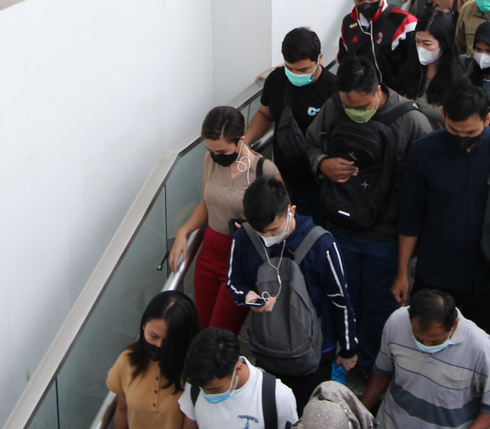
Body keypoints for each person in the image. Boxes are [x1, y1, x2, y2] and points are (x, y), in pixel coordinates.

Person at [393, 80, 490, 356]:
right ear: (443, 116)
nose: (462, 138)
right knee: (433, 350)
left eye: (472, 132)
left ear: (487, 118)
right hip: (438, 275)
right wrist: (402, 273)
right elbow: (410, 217)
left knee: (488, 352)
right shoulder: (424, 151)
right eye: (454, 131)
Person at [304, 54, 429, 378]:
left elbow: (423, 191)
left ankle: (375, 370)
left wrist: (405, 263)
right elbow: (310, 144)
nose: (353, 112)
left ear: (377, 90)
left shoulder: (411, 122)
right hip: (340, 228)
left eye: (360, 106)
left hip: (384, 239)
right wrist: (322, 163)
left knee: (379, 310)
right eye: (348, 105)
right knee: (340, 300)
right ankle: (343, 360)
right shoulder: (334, 106)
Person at [228, 176, 358, 405]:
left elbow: (340, 299)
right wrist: (247, 296)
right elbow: (233, 282)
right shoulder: (244, 238)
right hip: (267, 351)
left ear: (291, 210)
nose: (268, 237)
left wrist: (348, 349)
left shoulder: (322, 244)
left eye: (273, 229)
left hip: (315, 353)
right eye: (261, 232)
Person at [169, 106, 281, 331]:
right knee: (202, 327)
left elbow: (280, 220)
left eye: (221, 151)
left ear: (240, 141)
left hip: (241, 258)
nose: (215, 156)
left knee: (221, 333)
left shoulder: (263, 170)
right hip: (210, 252)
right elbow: (208, 204)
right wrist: (184, 231)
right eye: (210, 150)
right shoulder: (209, 161)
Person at [360, 289, 490, 429]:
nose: (425, 345)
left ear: (454, 324)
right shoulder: (396, 323)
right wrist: (360, 412)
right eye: (419, 338)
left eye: (435, 342)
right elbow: (381, 373)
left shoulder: (480, 348)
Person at [243, 26, 337, 219]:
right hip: (281, 179)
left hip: (318, 185)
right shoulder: (277, 79)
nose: (296, 74)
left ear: (320, 58)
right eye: (290, 68)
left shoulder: (333, 90)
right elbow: (265, 114)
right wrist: (246, 141)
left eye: (303, 69)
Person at [108, 291, 201, 429]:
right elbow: (121, 410)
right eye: (153, 336)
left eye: (168, 341)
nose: (158, 345)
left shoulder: (195, 372)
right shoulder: (127, 360)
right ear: (144, 325)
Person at [179, 328, 299, 429]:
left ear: (237, 368)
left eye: (215, 389)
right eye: (202, 389)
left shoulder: (277, 397)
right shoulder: (196, 384)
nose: (206, 394)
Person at [338, 0, 418, 89]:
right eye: (359, 0)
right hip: (363, 96)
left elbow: (415, 67)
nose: (366, 5)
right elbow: (344, 61)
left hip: (396, 97)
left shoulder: (405, 23)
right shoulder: (348, 23)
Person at [393, 6, 468, 129]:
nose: (421, 48)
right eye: (417, 42)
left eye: (427, 43)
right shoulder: (410, 70)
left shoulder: (457, 80)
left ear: (444, 43)